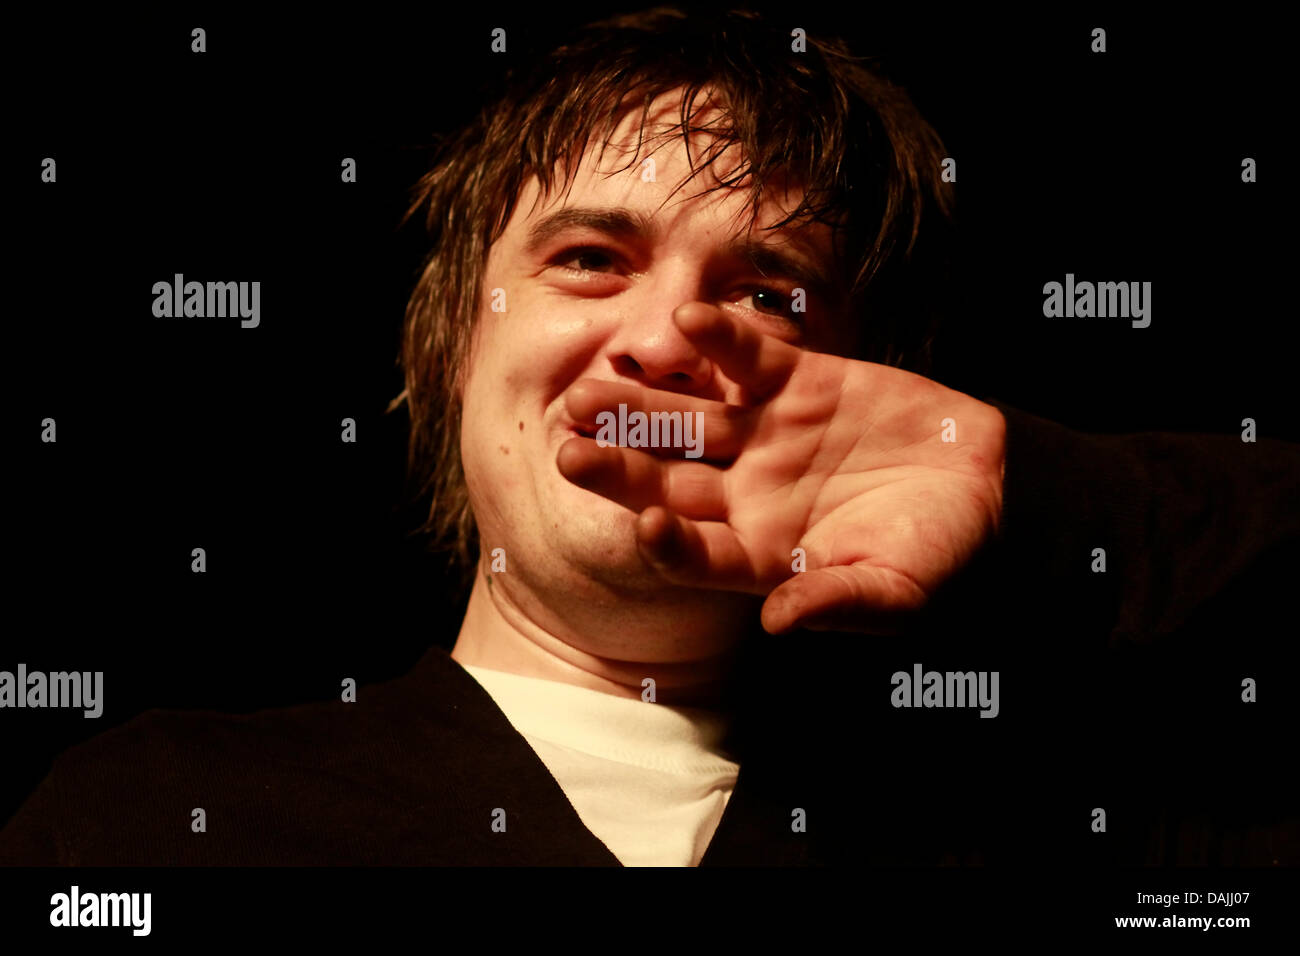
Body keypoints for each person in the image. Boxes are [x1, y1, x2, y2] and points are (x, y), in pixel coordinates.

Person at [2, 7, 1296, 868]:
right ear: (454, 350)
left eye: (768, 293)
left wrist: (1054, 504)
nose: (672, 331)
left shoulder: (1061, 808)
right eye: (588, 258)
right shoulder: (156, 823)